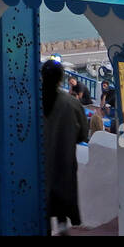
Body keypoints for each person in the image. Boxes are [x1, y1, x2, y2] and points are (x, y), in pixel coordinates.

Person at [42, 59, 88, 235]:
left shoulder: (30, 103)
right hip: (64, 166)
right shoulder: (72, 104)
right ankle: (62, 229)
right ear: (61, 78)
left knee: (41, 207)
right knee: (62, 208)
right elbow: (83, 135)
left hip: (40, 170)